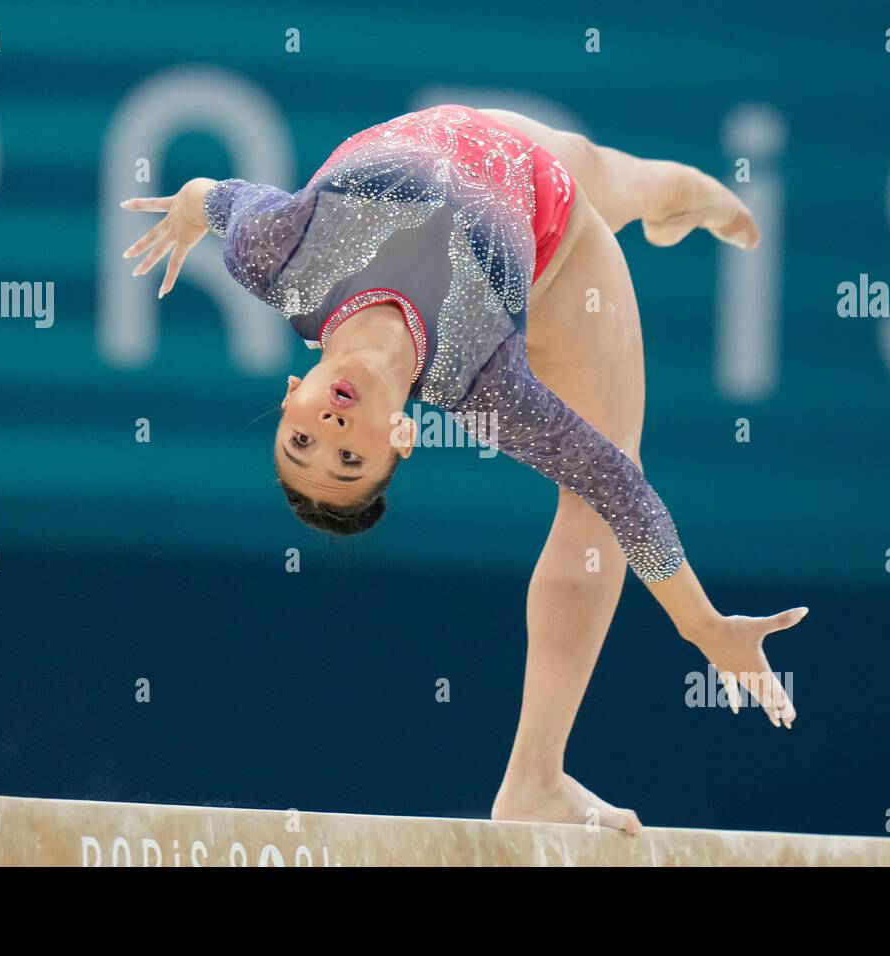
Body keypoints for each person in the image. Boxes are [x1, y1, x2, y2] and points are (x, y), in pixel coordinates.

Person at [122, 105, 807, 833]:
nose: (329, 433)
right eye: (351, 459)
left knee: (618, 175)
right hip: (560, 251)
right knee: (595, 484)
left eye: (301, 443)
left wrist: (188, 216)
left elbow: (207, 194)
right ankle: (535, 780)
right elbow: (619, 489)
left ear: (292, 395)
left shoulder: (278, 255)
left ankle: (687, 196)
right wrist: (704, 627)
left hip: (496, 145)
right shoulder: (480, 381)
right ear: (402, 437)